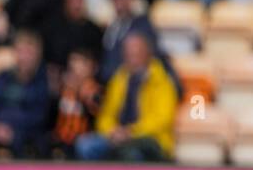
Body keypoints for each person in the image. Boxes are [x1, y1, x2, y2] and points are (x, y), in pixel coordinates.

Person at [75, 31, 178, 162]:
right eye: (128, 52)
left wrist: (131, 132)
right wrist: (112, 131)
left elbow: (162, 119)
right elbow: (106, 114)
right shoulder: (119, 79)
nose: (131, 56)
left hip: (150, 139)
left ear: (147, 53)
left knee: (131, 153)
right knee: (85, 145)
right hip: (119, 136)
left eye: (136, 52)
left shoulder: (161, 80)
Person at [0, 29, 52, 159]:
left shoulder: (43, 82)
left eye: (29, 52)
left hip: (25, 135)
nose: (24, 57)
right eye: (20, 51)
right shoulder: (2, 78)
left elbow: (40, 116)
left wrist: (12, 131)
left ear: (38, 55)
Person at [50, 48, 102, 158]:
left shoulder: (95, 90)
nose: (76, 69)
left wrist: (80, 92)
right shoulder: (65, 89)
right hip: (61, 139)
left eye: (81, 64)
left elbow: (96, 117)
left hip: (81, 140)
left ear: (92, 67)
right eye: (73, 64)